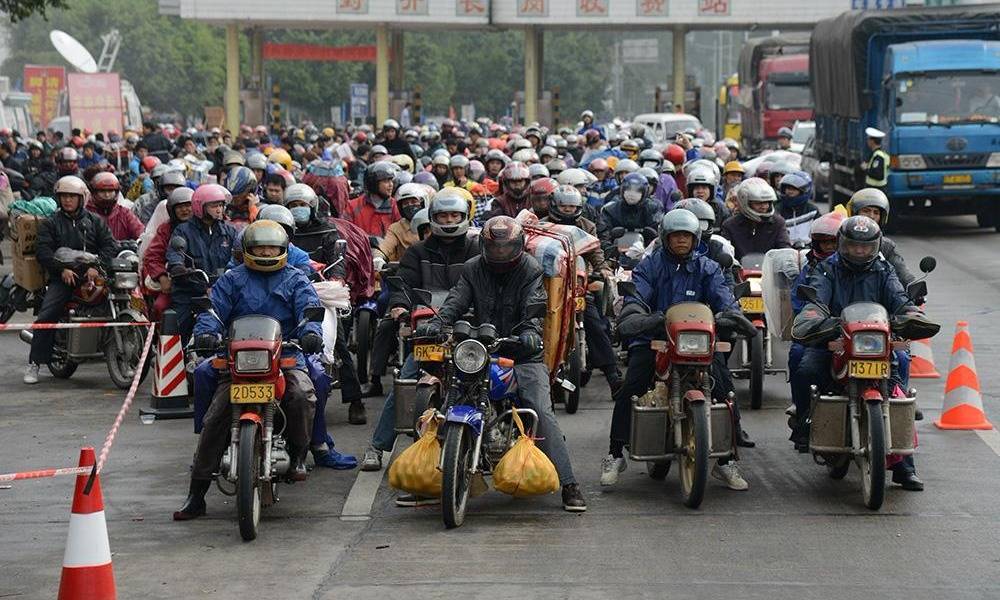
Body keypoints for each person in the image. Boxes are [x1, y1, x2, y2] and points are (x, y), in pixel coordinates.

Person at [408, 216, 587, 511]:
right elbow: (456, 301)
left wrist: (530, 333)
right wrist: (438, 323)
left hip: (521, 353)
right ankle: (430, 479)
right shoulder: (472, 268)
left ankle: (569, 484)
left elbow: (534, 309)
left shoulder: (530, 269)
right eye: (495, 247)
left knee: (540, 409)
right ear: (484, 246)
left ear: (518, 246)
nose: (501, 252)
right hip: (479, 349)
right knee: (447, 401)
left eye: (507, 247)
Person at [172, 220, 323, 521]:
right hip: (238, 359)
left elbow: (309, 310)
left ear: (283, 250)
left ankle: (298, 455)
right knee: (216, 417)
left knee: (301, 395)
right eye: (260, 248)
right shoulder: (231, 280)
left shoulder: (296, 279)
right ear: (247, 250)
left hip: (285, 355)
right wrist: (206, 332)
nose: (266, 253)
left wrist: (311, 332)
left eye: (272, 248)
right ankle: (197, 494)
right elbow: (213, 311)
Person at [602, 209, 754, 490]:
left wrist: (732, 314)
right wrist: (637, 315)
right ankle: (615, 453)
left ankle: (726, 460)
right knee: (632, 385)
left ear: (695, 238)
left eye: (686, 235)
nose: (681, 240)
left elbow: (723, 297)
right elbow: (637, 295)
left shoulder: (708, 267)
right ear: (666, 238)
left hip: (697, 340)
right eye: (676, 236)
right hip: (655, 336)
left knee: (725, 390)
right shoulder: (651, 266)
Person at [790, 216, 926, 490]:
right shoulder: (827, 269)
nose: (860, 251)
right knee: (806, 368)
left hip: (874, 341)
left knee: (897, 387)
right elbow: (816, 300)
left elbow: (898, 298)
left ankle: (905, 468)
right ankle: (805, 423)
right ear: (843, 244)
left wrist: (911, 313)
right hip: (836, 338)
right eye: (854, 246)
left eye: (865, 247)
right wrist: (814, 318)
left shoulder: (884, 270)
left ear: (875, 246)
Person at [360, 192, 480, 485]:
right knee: (407, 380)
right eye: (442, 216)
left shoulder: (478, 249)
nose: (449, 221)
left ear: (464, 217)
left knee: (494, 380)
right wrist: (400, 306)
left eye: (454, 216)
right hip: (430, 330)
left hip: (469, 331)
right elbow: (403, 284)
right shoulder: (417, 252)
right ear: (433, 218)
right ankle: (378, 446)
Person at [284, 183, 369, 426]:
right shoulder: (283, 233)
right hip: (286, 291)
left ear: (313, 206)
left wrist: (336, 278)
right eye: (293, 205)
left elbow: (338, 260)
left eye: (302, 205)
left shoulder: (328, 230)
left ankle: (355, 400)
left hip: (319, 293)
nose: (298, 209)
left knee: (338, 343)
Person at [23, 176, 118, 384]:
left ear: (81, 198)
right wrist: (61, 269)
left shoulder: (94, 221)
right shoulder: (51, 223)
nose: (67, 200)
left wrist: (96, 266)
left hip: (92, 277)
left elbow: (110, 245)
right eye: (64, 196)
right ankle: (34, 363)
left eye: (72, 196)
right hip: (63, 279)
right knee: (47, 315)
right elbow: (43, 251)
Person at [543, 186, 622, 392]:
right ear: (554, 205)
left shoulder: (587, 226)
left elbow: (595, 251)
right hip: (549, 287)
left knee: (595, 323)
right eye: (564, 206)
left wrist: (603, 269)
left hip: (578, 286)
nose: (568, 210)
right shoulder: (543, 225)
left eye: (572, 206)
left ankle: (612, 375)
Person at [165, 184, 239, 341]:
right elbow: (175, 253)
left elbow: (239, 256)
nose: (219, 210)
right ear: (200, 207)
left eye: (221, 205)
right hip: (190, 292)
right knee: (178, 328)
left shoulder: (229, 232)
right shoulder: (183, 231)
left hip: (223, 291)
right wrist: (178, 266)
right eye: (214, 206)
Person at [846, 187, 913, 286]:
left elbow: (903, 274)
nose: (871, 216)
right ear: (854, 213)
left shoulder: (886, 246)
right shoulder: (841, 241)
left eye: (876, 212)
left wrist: (913, 285)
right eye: (866, 211)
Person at [720, 177, 790, 260]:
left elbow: (785, 250)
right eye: (758, 203)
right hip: (739, 267)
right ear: (744, 201)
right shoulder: (730, 226)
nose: (764, 207)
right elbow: (726, 254)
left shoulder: (778, 223)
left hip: (770, 267)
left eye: (767, 202)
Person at [599, 172, 663, 259]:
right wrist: (614, 251)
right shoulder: (610, 210)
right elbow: (603, 237)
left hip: (647, 254)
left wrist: (650, 248)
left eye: (637, 191)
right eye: (628, 189)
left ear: (644, 192)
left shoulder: (653, 209)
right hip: (616, 255)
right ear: (622, 190)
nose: (632, 194)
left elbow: (661, 237)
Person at [346, 161, 399, 238]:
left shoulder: (396, 206)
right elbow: (345, 232)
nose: (391, 184)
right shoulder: (352, 206)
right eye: (386, 181)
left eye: (391, 180)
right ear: (373, 183)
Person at [86, 172, 144, 241]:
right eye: (102, 191)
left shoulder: (125, 213)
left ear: (116, 192)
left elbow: (140, 233)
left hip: (120, 247)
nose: (107, 195)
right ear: (94, 192)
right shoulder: (86, 213)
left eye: (110, 191)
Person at [777, 171, 820, 248]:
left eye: (794, 189)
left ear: (803, 190)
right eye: (788, 188)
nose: (790, 191)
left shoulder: (812, 211)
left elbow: (820, 233)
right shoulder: (778, 209)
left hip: (808, 250)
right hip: (784, 250)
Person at [863, 128, 889, 192]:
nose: (867, 141)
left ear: (872, 141)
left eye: (868, 139)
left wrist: (865, 169)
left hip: (876, 189)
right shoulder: (881, 153)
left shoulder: (878, 156)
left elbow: (878, 175)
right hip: (878, 189)